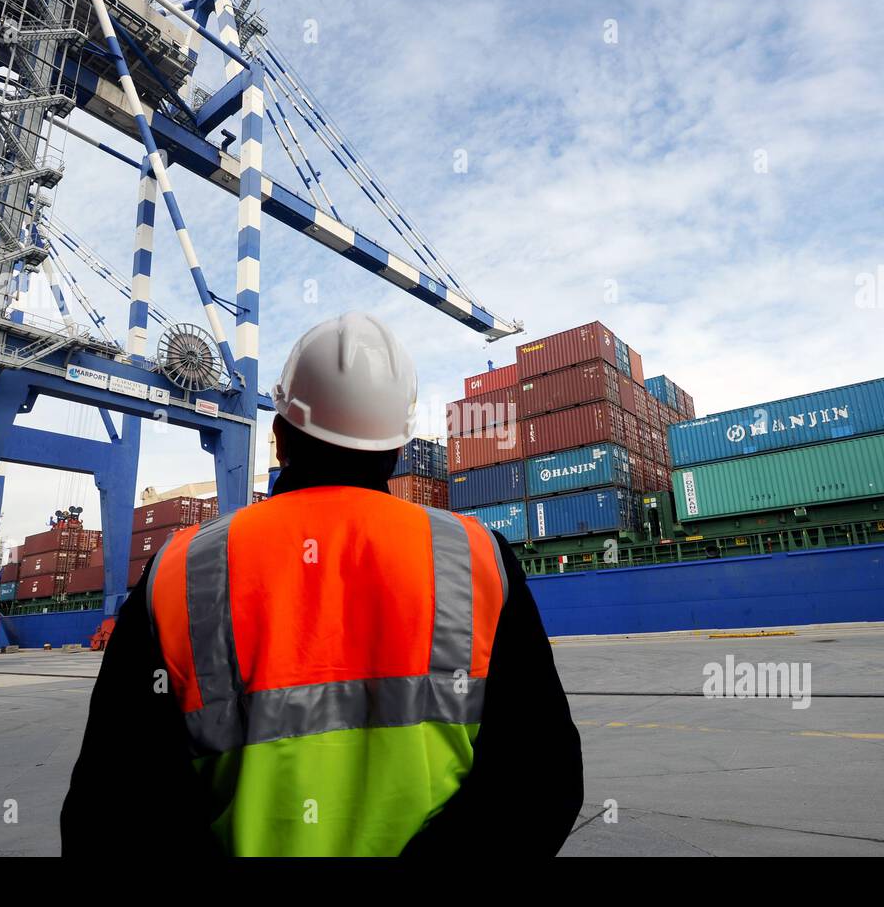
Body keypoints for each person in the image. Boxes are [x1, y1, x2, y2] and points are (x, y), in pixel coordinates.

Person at [60, 312, 582, 856]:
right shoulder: (476, 558)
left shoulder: (181, 568)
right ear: (399, 447)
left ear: (280, 437)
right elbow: (544, 781)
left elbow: (109, 812)